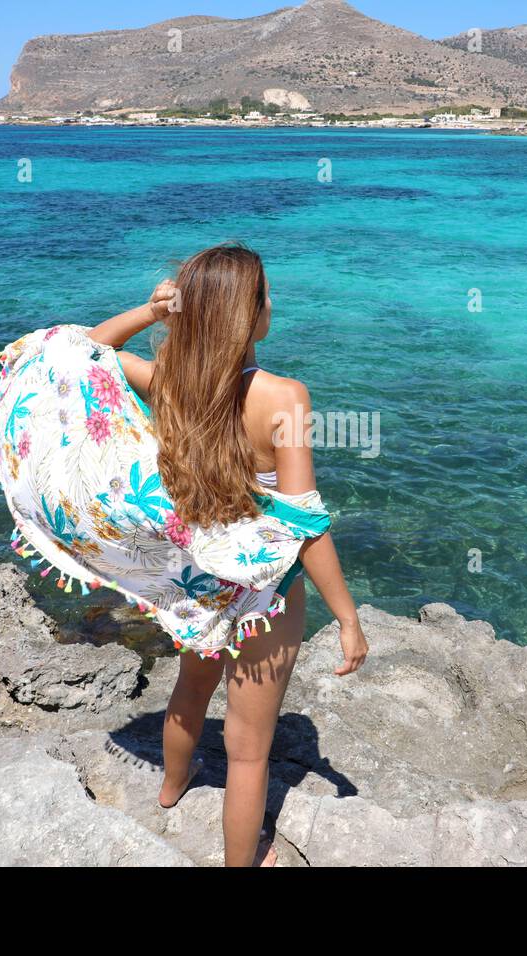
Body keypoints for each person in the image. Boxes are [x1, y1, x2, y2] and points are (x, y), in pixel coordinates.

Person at [87, 242, 368, 866]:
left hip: (198, 577)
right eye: (266, 296)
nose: (273, 304)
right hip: (266, 593)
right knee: (247, 750)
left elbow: (85, 350)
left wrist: (150, 312)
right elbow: (306, 523)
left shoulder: (170, 384)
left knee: (190, 689)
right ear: (252, 314)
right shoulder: (285, 398)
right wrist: (347, 617)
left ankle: (169, 789)